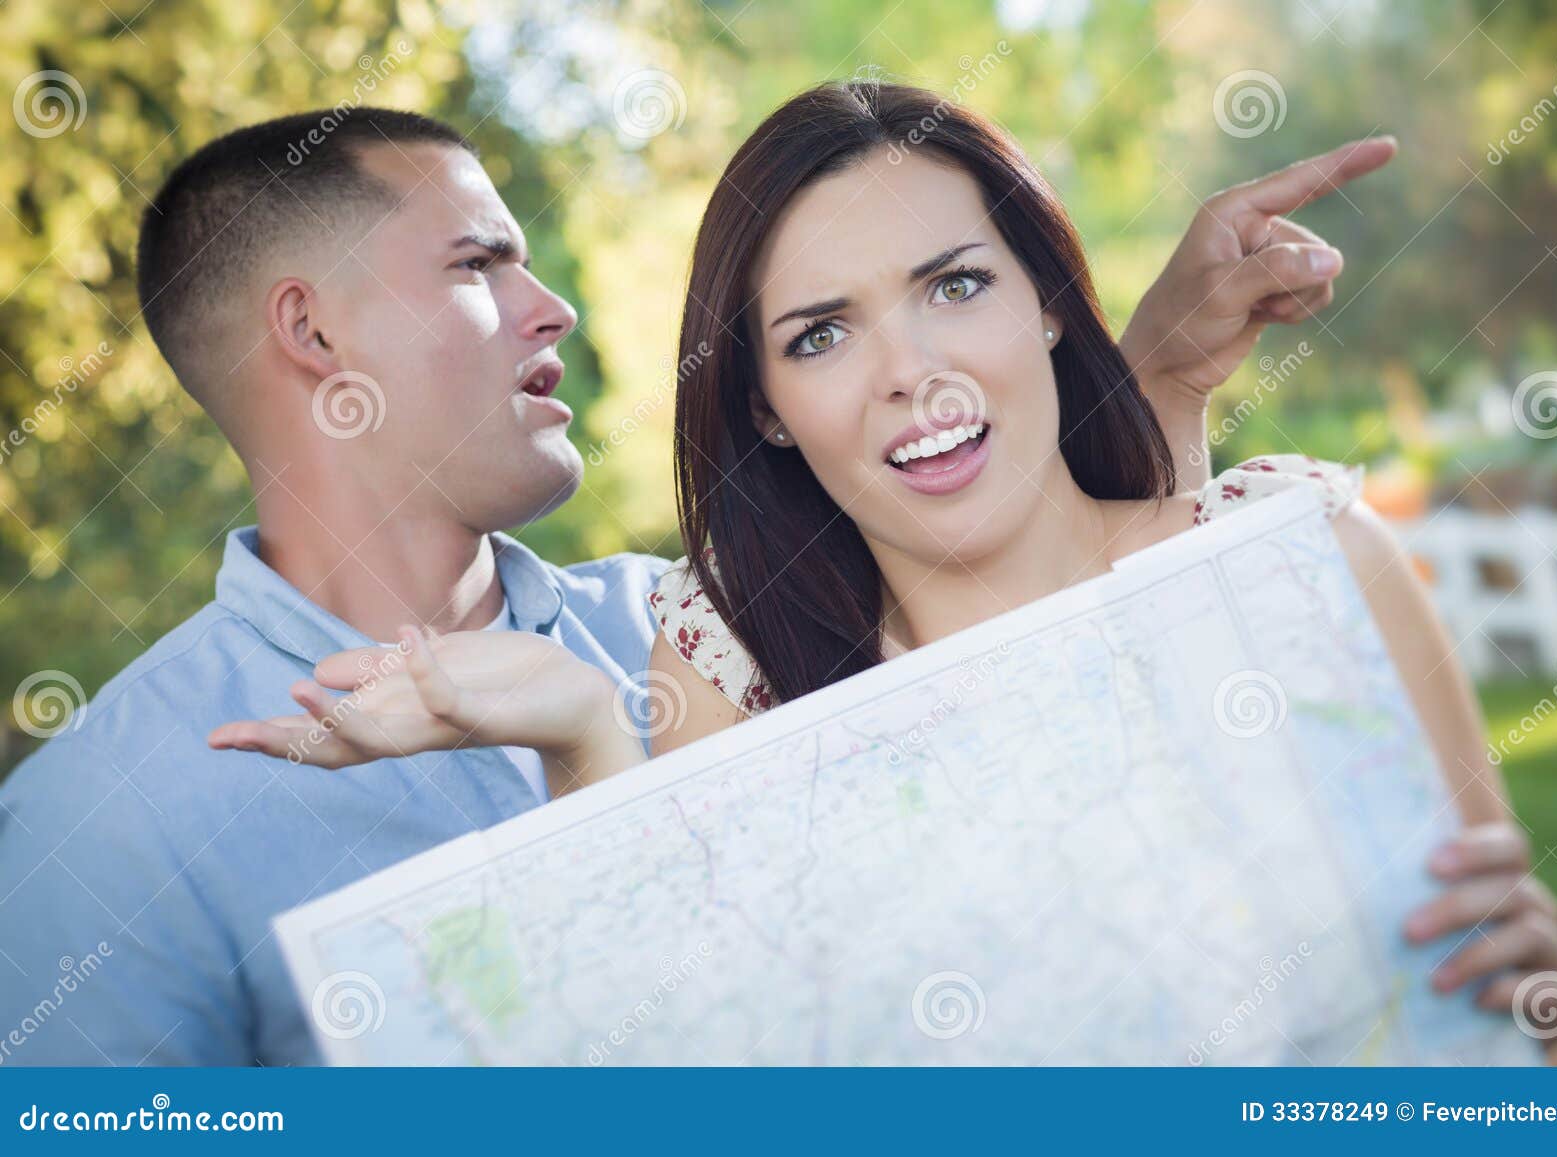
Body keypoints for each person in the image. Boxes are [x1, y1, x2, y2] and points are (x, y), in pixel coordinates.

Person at [245, 82, 1557, 1064]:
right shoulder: (730, 671)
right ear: (767, 405)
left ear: (1046, 299)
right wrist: (581, 727)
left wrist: (1549, 1028)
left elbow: (1515, 1065)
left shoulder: (1311, 564)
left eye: (953, 285)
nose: (910, 372)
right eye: (820, 335)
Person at [0, 98, 1331, 1066]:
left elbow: (1060, 681)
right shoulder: (98, 826)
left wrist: (1147, 381)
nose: (553, 306)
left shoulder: (711, 628)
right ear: (311, 331)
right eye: (478, 264)